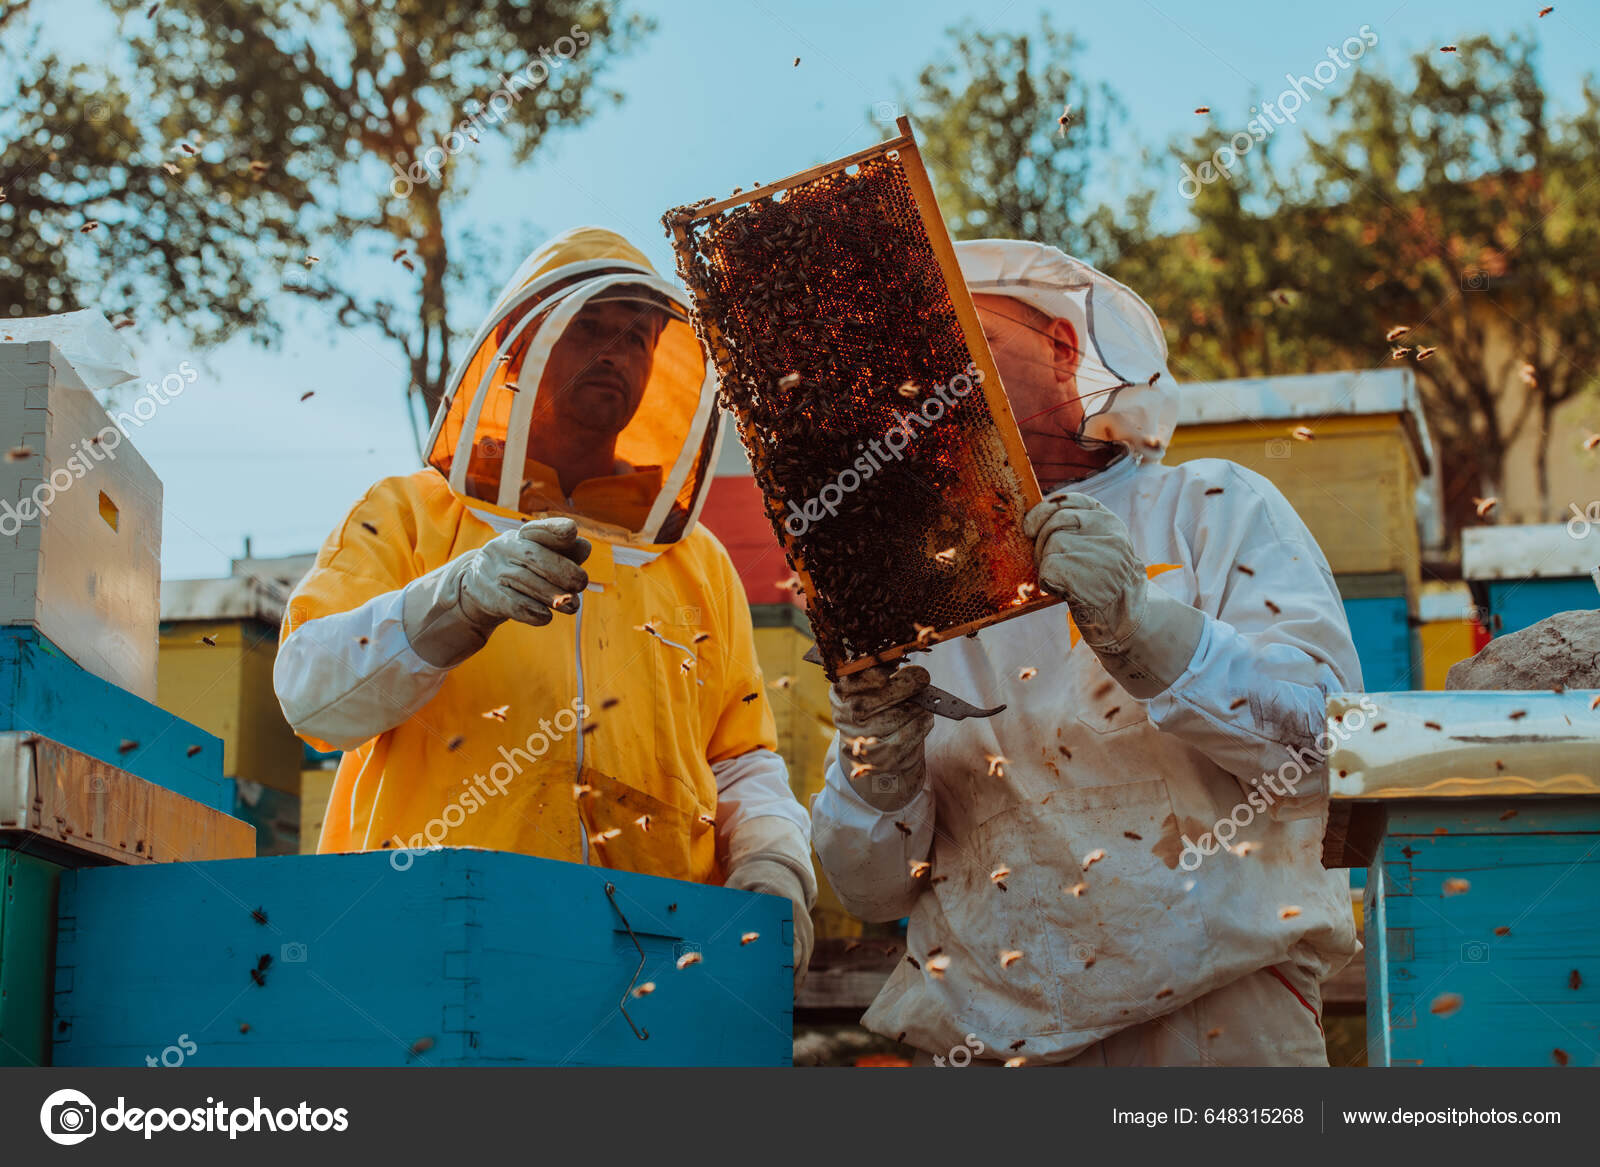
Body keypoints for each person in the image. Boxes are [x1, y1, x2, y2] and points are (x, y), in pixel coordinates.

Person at [811, 240, 1361, 1064]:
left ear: (1064, 348)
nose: (951, 382)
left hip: (1220, 1031)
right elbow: (866, 886)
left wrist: (1146, 627)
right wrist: (874, 770)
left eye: (979, 346)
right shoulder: (911, 589)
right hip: (987, 1045)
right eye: (931, 362)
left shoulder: (1210, 504)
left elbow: (1327, 750)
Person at [274, 226, 815, 987]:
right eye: (589, 327)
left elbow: (741, 758)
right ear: (521, 348)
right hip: (427, 939)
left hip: (654, 958)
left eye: (636, 335)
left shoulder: (696, 562)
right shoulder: (411, 514)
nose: (613, 352)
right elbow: (308, 692)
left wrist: (770, 859)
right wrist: (450, 603)